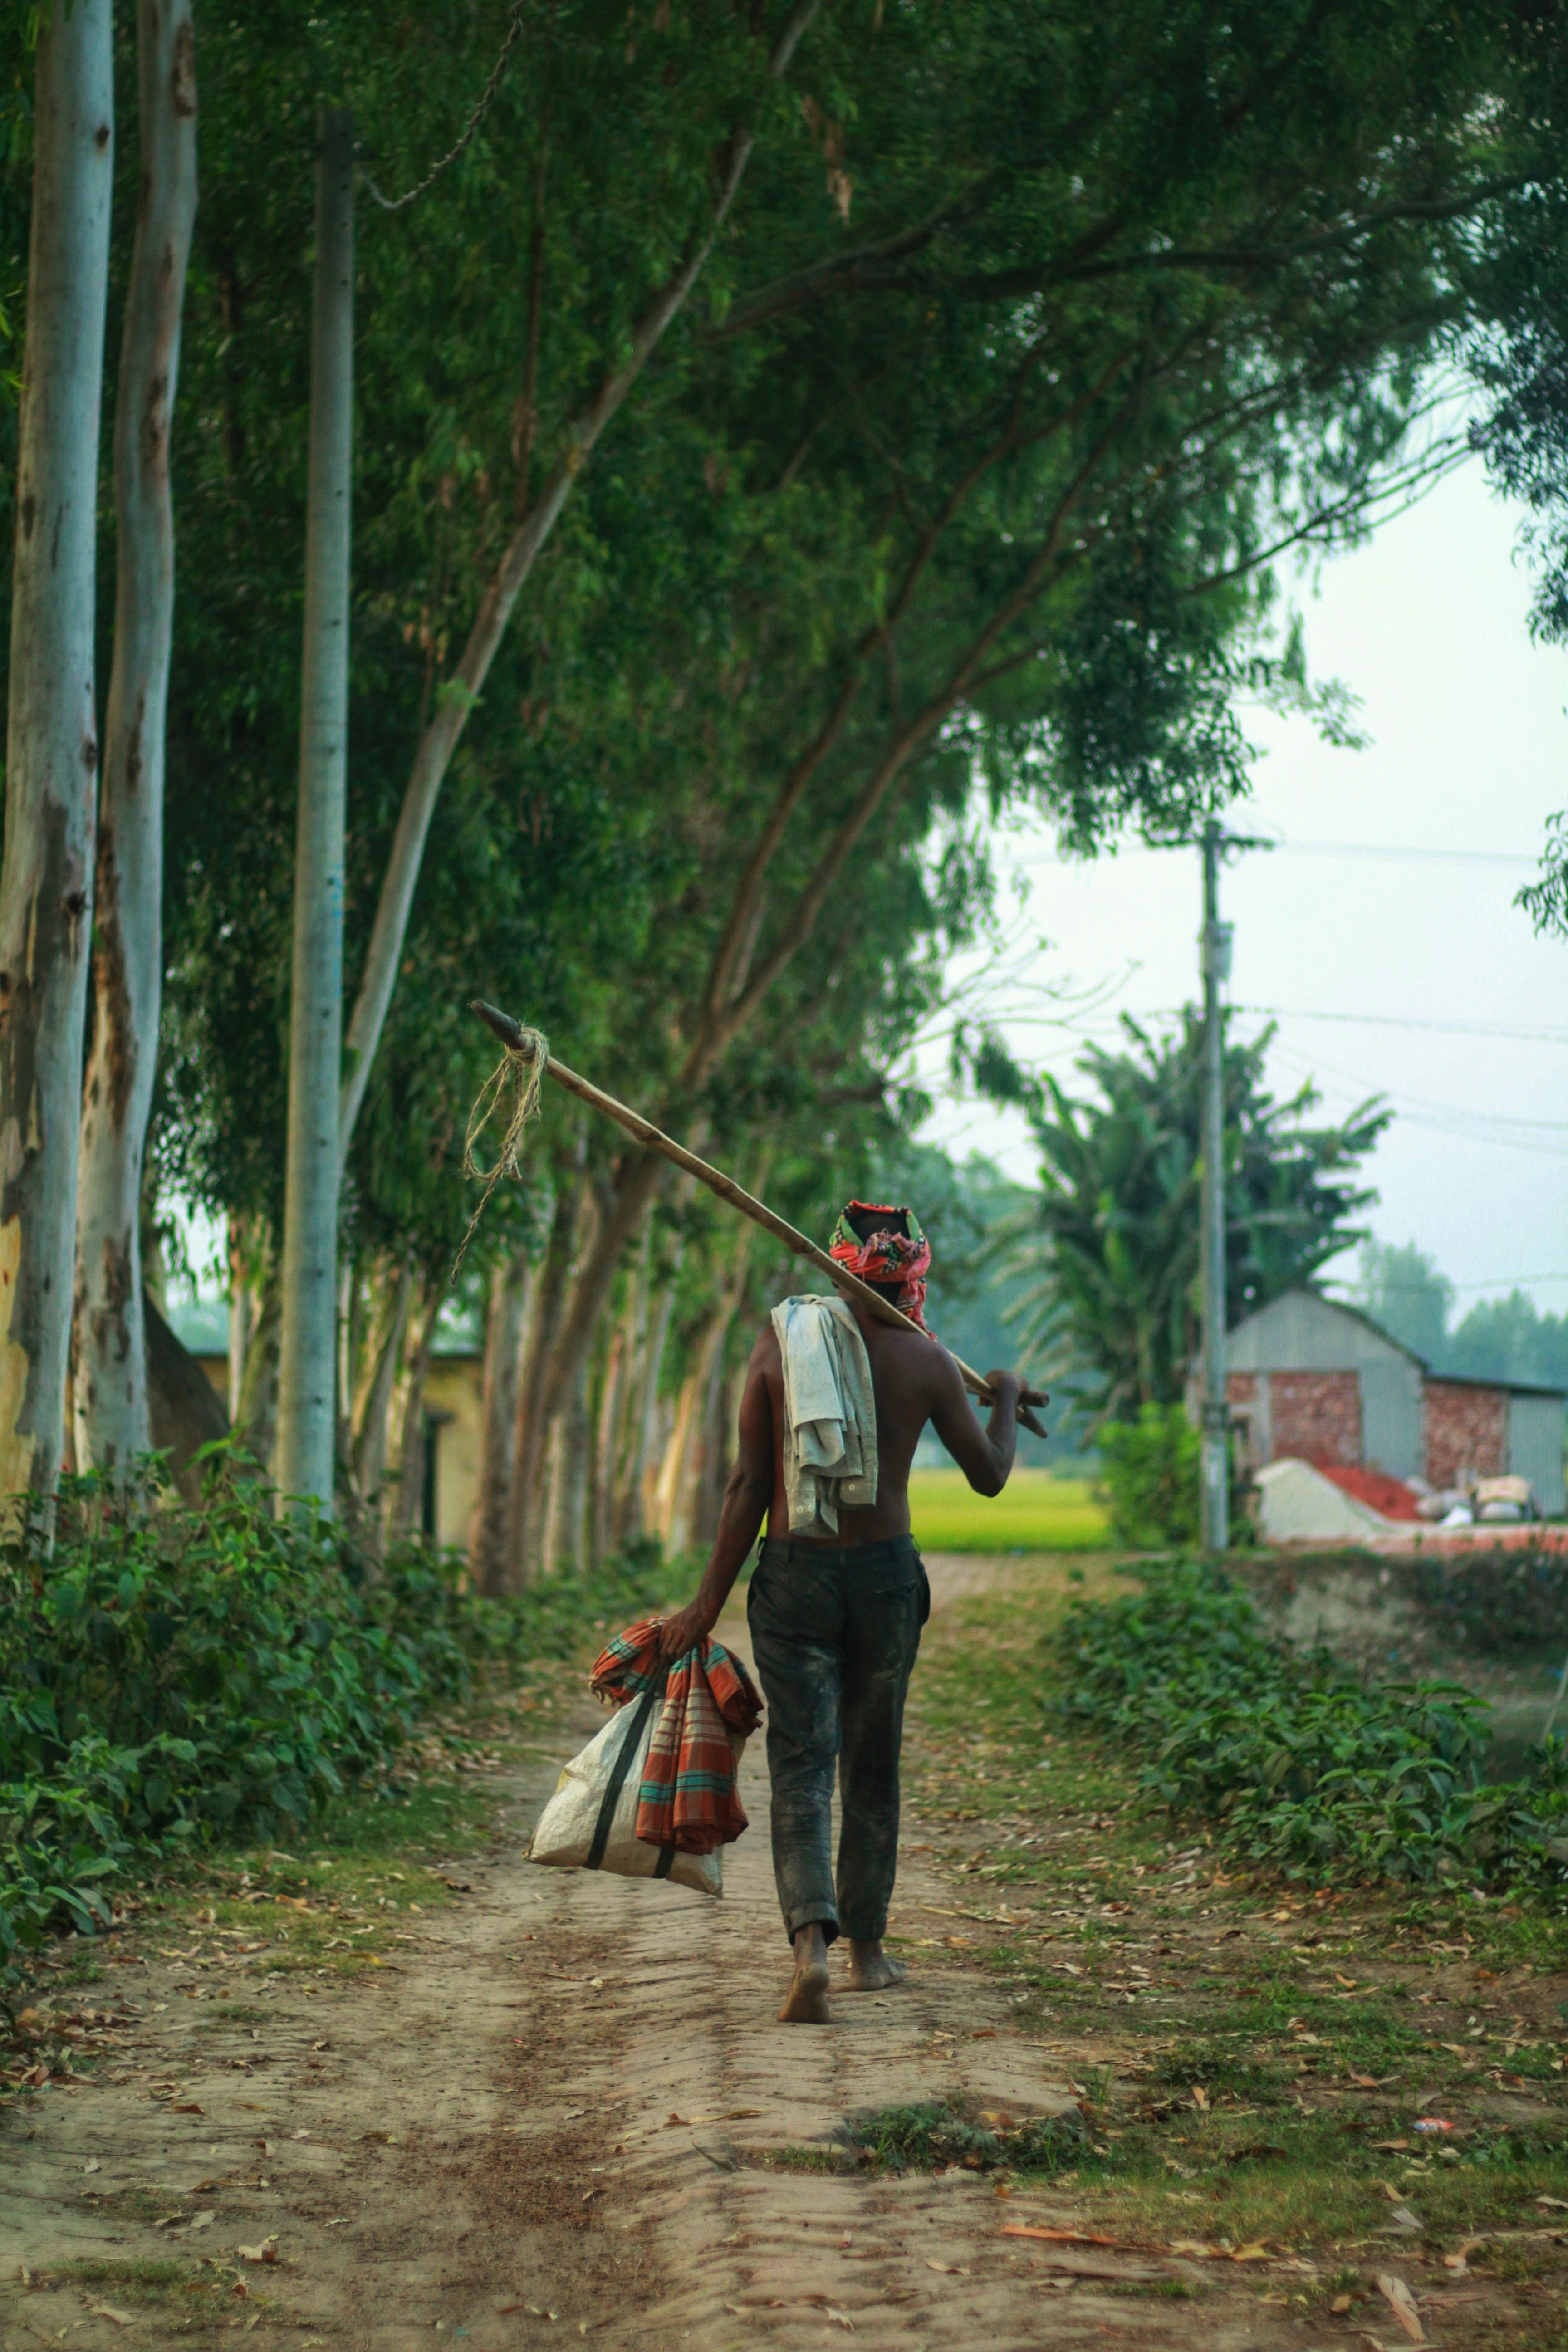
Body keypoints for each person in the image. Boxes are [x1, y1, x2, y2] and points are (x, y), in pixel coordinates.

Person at [652, 1200, 1041, 2025]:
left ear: (837, 1271)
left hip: (795, 1578)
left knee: (802, 1767)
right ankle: (867, 1953)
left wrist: (703, 1607)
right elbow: (992, 1475)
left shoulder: (780, 1343)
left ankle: (809, 1952)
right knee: (871, 1765)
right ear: (913, 1281)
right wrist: (1003, 1394)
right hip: (885, 1584)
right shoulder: (929, 1361)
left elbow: (749, 1490)